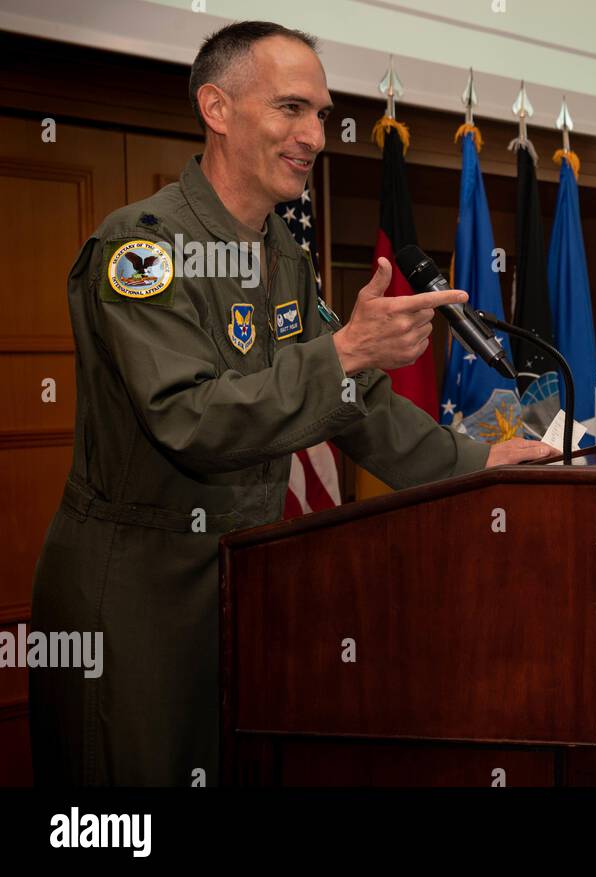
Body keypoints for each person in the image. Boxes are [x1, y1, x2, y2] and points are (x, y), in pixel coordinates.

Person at [28, 21, 554, 786]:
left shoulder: (281, 253)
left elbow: (352, 399)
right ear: (216, 107)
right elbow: (190, 420)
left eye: (320, 113)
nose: (315, 134)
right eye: (290, 109)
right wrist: (344, 350)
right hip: (136, 586)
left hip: (245, 573)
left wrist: (476, 461)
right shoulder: (140, 251)